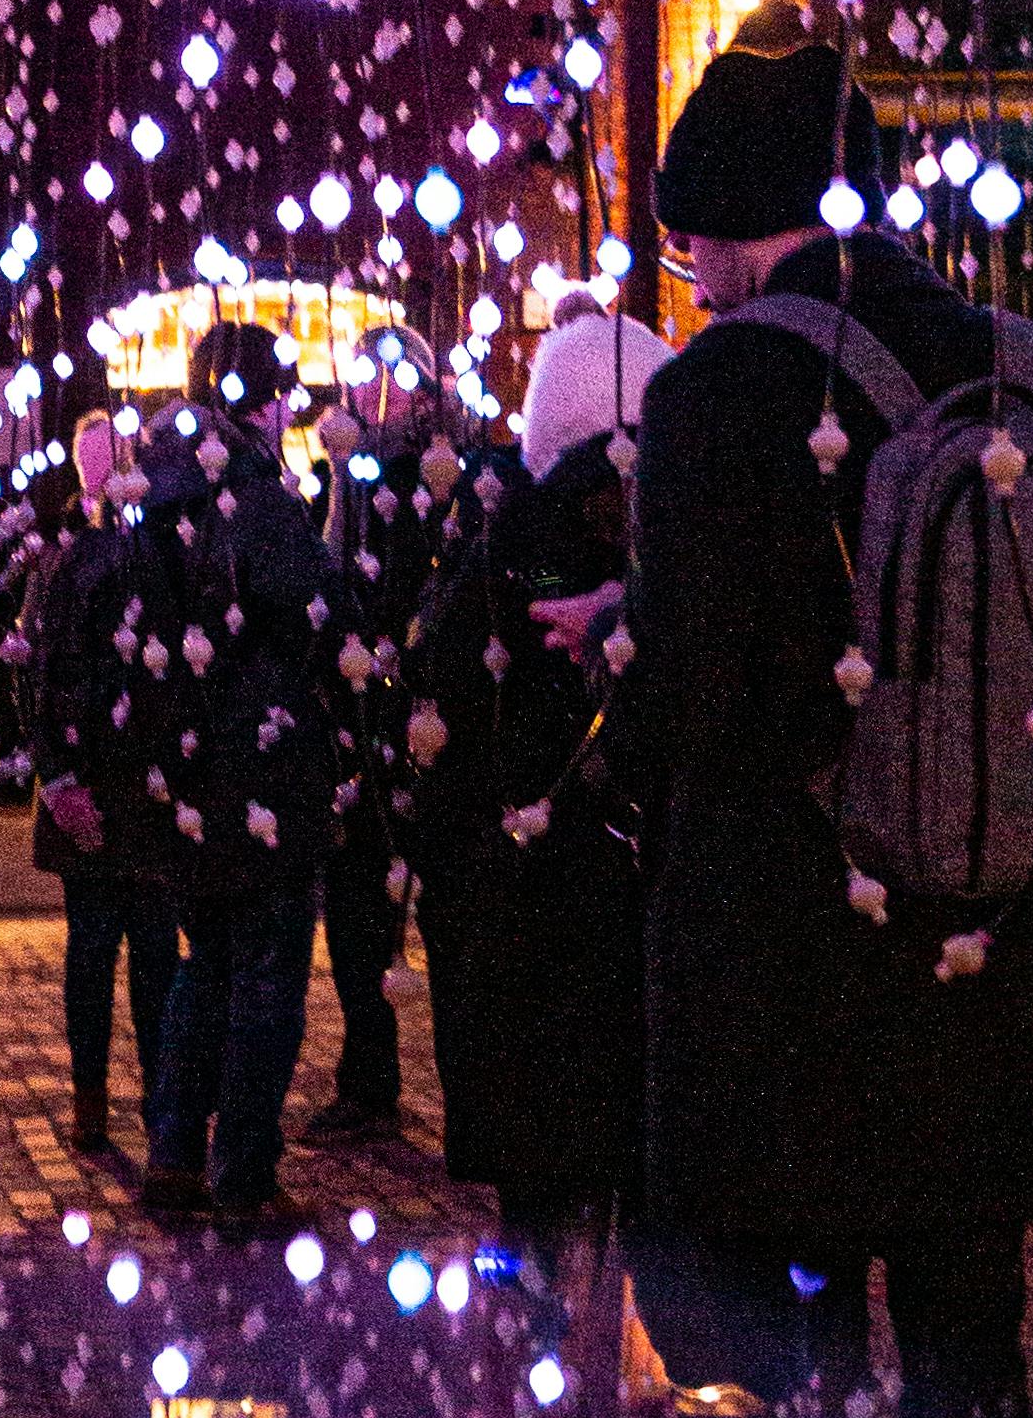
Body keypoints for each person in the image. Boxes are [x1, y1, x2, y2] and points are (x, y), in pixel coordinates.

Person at [620, 17, 1033, 1418]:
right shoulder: (1012, 362)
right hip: (976, 933)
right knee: (963, 1342)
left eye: (693, 243)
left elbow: (701, 690)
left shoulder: (721, 392)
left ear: (736, 230)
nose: (691, 276)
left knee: (789, 1365)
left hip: (790, 955)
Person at [404, 301, 662, 1276]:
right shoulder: (669, 552)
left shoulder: (493, 545)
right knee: (634, 1162)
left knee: (539, 1183)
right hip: (632, 890)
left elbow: (442, 706)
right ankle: (646, 1358)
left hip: (517, 897)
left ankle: (538, 1343)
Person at [126, 325, 339, 1231]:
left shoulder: (160, 493)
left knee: (202, 961)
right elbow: (314, 612)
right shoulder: (258, 497)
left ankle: (174, 1149)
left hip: (192, 767)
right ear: (265, 400)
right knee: (267, 973)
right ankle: (243, 1169)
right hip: (266, 764)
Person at [28, 407, 181, 1162]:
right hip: (102, 782)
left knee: (150, 951)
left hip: (142, 786)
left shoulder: (147, 555)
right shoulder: (73, 564)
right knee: (99, 951)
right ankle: (100, 1094)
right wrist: (62, 779)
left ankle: (157, 1095)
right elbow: (47, 677)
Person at [305, 322, 446, 1137]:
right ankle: (368, 1073)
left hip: (423, 711)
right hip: (358, 717)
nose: (378, 394)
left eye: (395, 379)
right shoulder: (346, 482)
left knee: (430, 900)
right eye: (364, 380)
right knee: (359, 902)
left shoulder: (438, 475)